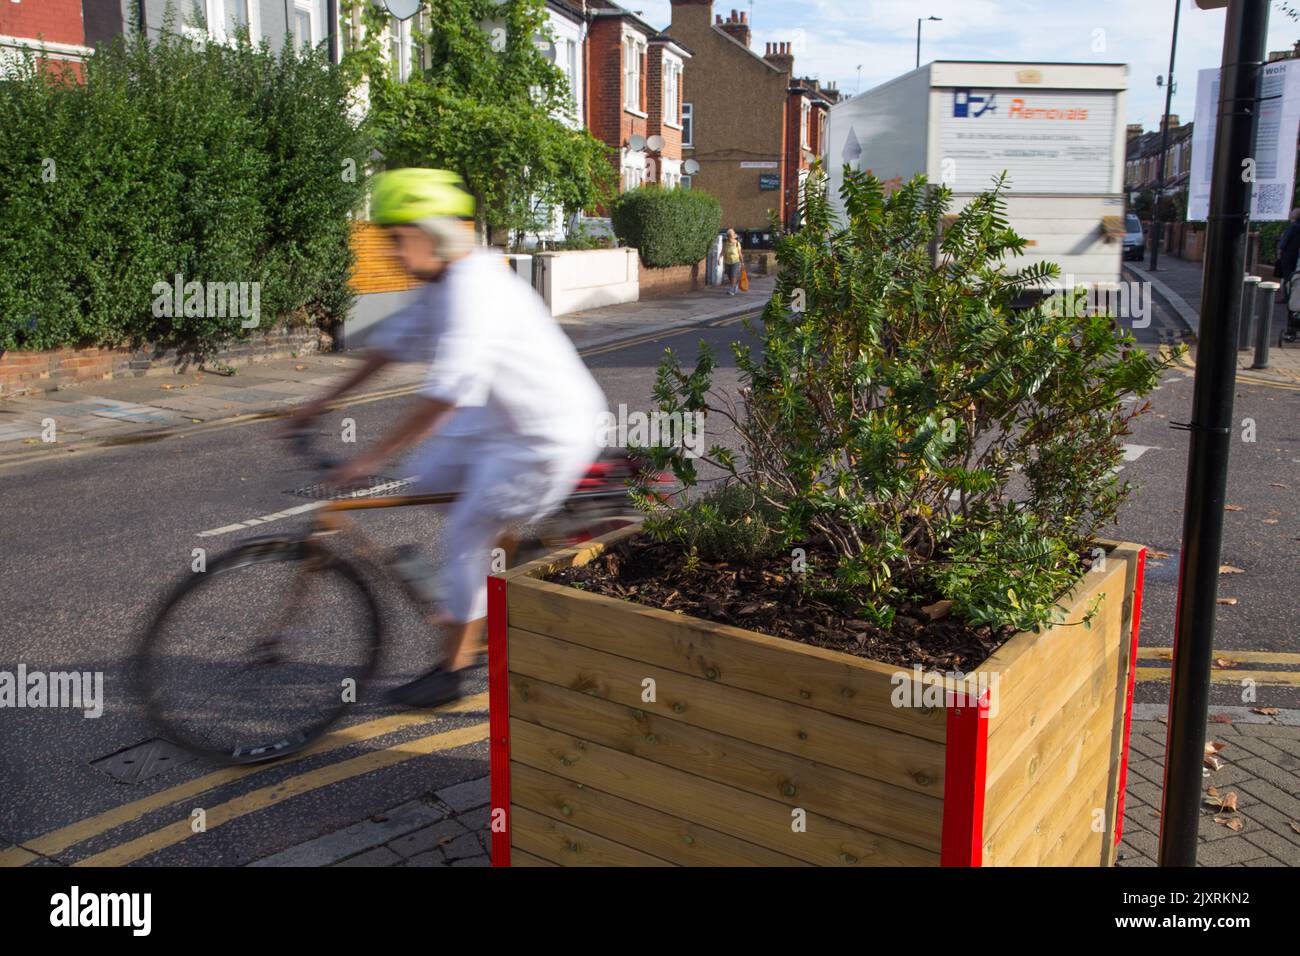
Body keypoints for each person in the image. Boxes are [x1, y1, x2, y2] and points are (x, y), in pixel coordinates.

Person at [287, 168, 607, 707]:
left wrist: (362, 461)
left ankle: (451, 669)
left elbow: (444, 396)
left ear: (431, 233)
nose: (391, 251)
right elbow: (388, 347)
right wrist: (316, 406)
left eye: (397, 237)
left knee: (465, 534)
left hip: (545, 435)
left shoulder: (475, 290)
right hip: (497, 424)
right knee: (432, 477)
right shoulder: (444, 284)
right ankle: (492, 573)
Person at [1276, 207, 1300, 301]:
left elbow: (1285, 241)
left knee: (1287, 276)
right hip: (1297, 255)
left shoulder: (1293, 226)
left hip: (1288, 255)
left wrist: (1279, 251)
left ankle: (1287, 297)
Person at [722, 228, 743, 295]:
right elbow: (723, 251)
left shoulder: (737, 243)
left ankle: (732, 289)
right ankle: (734, 286)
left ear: (733, 237)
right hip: (727, 262)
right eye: (729, 237)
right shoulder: (726, 243)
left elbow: (740, 253)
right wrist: (719, 259)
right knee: (729, 275)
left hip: (735, 261)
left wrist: (742, 262)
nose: (730, 239)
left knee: (733, 275)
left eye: (731, 237)